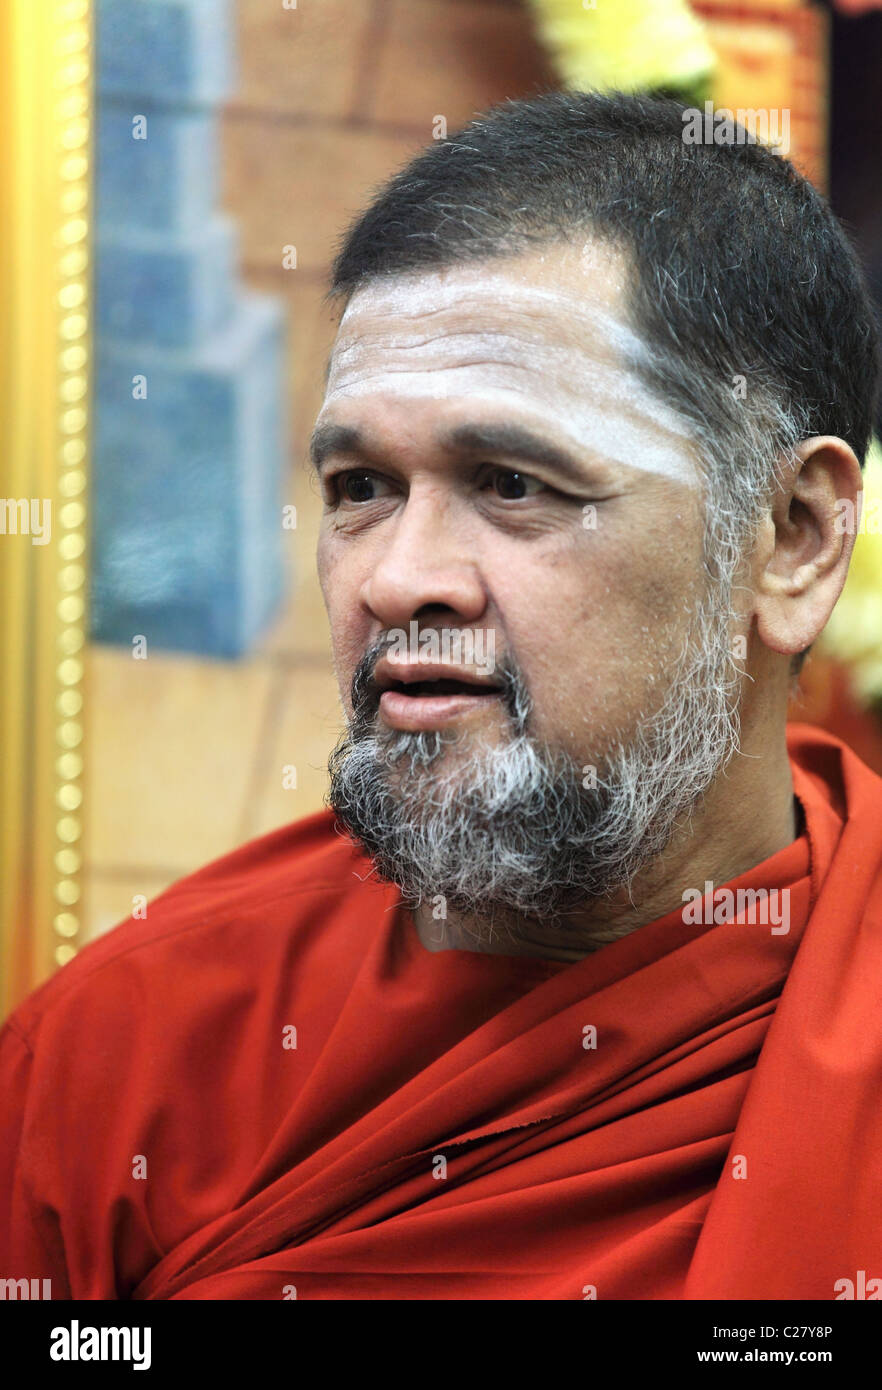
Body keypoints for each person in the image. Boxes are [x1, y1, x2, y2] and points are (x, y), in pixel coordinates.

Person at [2, 90, 882, 1301]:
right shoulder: (123, 1051)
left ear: (791, 540)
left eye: (514, 483)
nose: (398, 577)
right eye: (360, 485)